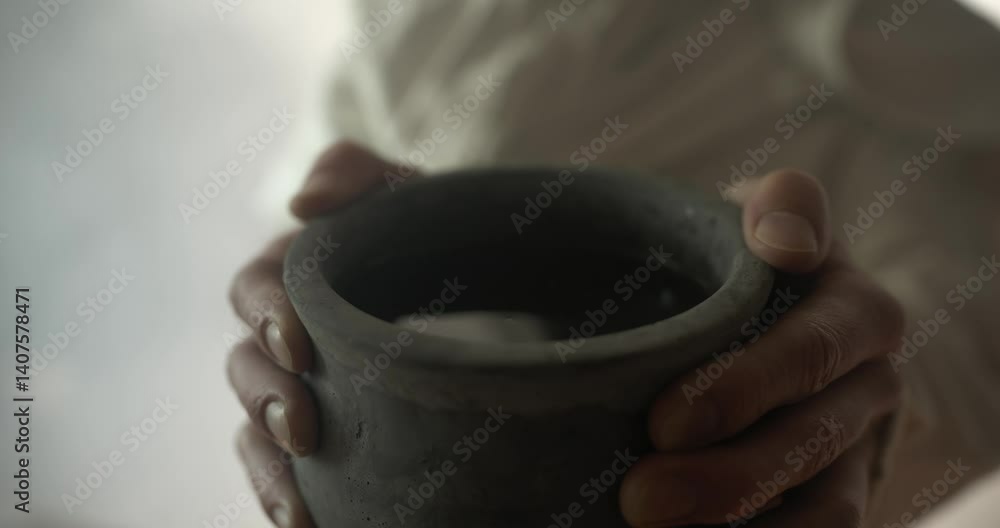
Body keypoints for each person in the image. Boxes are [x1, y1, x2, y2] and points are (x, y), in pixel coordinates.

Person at [225, 1, 1000, 526]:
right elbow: (331, 201)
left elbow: (964, 351)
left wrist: (848, 416)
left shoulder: (875, 36)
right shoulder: (394, 31)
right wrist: (300, 303)